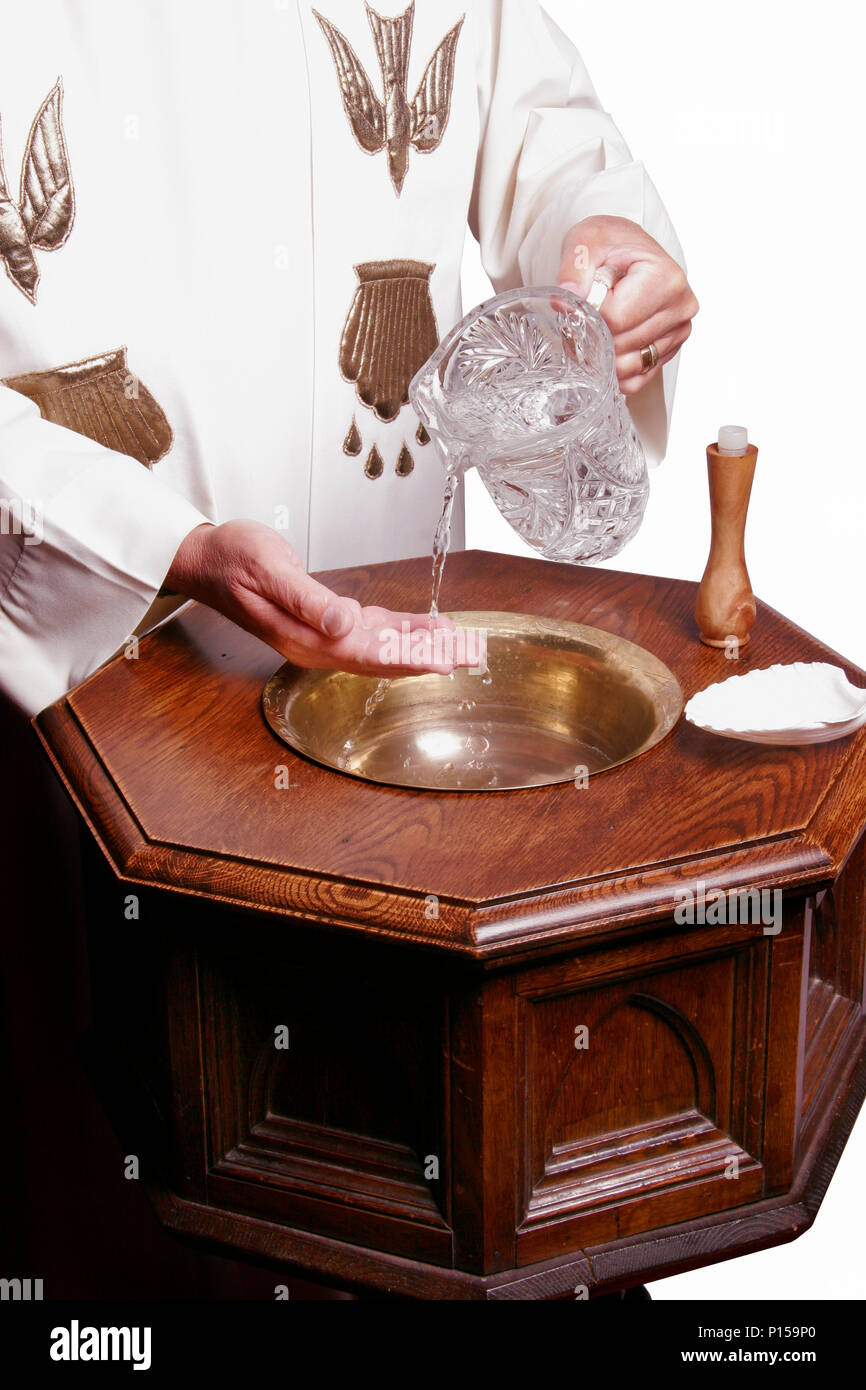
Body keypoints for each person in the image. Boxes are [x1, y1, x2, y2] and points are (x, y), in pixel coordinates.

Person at [0, 0, 698, 716]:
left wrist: (601, 237)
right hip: (97, 666)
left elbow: (541, 134)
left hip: (398, 641)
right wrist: (167, 549)